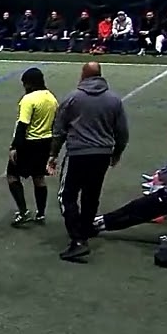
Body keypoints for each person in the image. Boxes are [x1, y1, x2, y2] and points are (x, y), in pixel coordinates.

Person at [46, 62, 129, 261]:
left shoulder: (72, 98)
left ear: (83, 74)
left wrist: (53, 155)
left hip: (77, 154)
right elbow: (122, 132)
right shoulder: (114, 100)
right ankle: (86, 228)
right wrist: (117, 152)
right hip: (102, 154)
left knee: (67, 196)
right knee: (91, 195)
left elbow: (59, 130)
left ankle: (77, 240)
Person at [92, 118, 167, 235]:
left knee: (138, 214)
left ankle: (97, 227)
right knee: (135, 205)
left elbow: (164, 176)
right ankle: (100, 220)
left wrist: (159, 175)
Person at [8, 67, 58, 225]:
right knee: (39, 178)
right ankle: (41, 213)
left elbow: (22, 125)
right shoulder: (52, 98)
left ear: (29, 83)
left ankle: (23, 212)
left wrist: (14, 147)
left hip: (29, 143)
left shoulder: (28, 100)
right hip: (46, 143)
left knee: (12, 176)